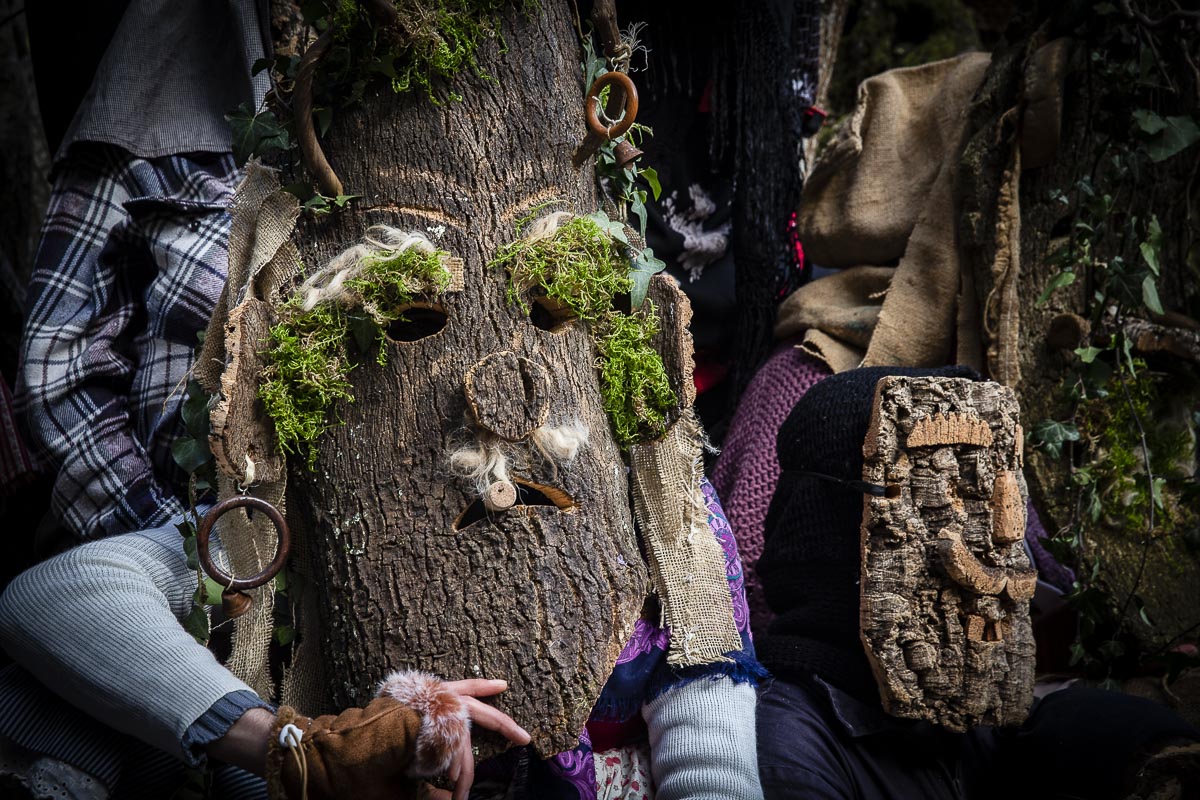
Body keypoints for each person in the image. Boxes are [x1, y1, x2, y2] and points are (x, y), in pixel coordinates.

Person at [0, 3, 765, 798]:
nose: (501, 387)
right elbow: (54, 596)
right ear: (321, 375)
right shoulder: (300, 524)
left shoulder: (669, 525)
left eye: (546, 308)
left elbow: (713, 757)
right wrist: (293, 746)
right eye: (414, 323)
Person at [753, 366, 1200, 800]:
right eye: (959, 494)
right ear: (842, 528)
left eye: (1008, 493)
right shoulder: (792, 757)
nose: (1006, 532)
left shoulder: (960, 720)